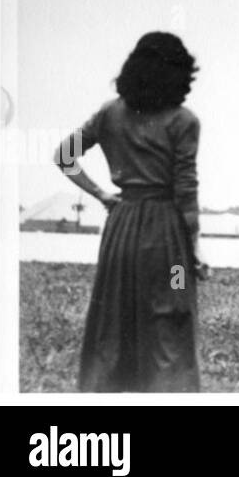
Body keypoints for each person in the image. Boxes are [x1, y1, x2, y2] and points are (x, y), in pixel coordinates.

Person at [53, 31, 207, 392]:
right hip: (169, 242)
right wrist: (195, 251)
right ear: (178, 73)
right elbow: (187, 192)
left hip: (119, 236)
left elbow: (64, 155)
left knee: (113, 317)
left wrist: (102, 195)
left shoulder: (109, 114)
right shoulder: (184, 121)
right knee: (175, 311)